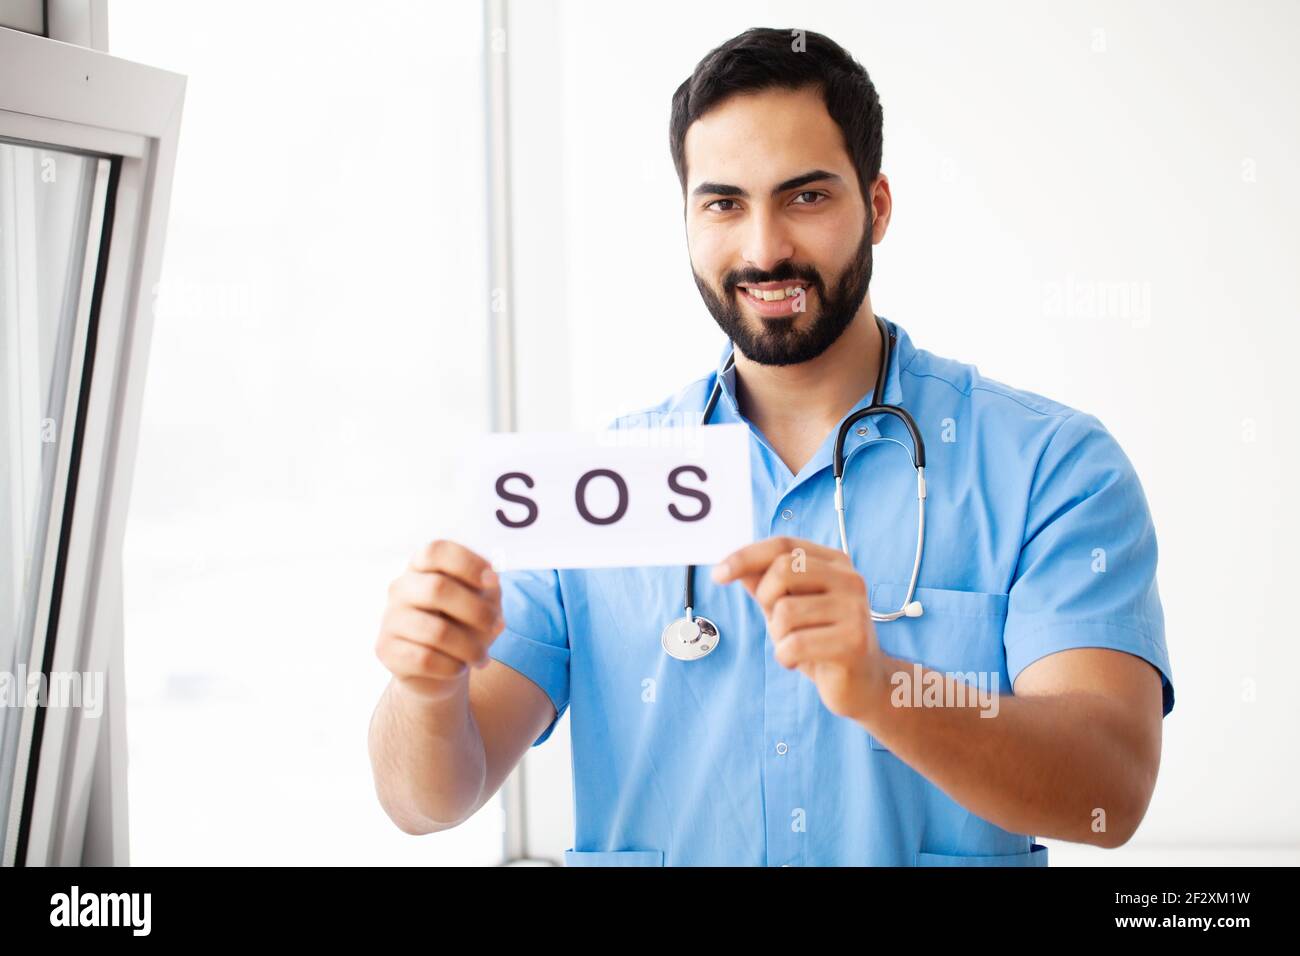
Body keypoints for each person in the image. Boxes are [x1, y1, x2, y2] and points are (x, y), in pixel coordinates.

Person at [367, 26, 1173, 866]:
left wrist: (887, 686)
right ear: (686, 218)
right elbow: (426, 803)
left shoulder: (1052, 469)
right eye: (723, 203)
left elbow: (1106, 793)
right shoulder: (597, 488)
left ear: (878, 206)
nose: (763, 249)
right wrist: (427, 687)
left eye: (806, 197)